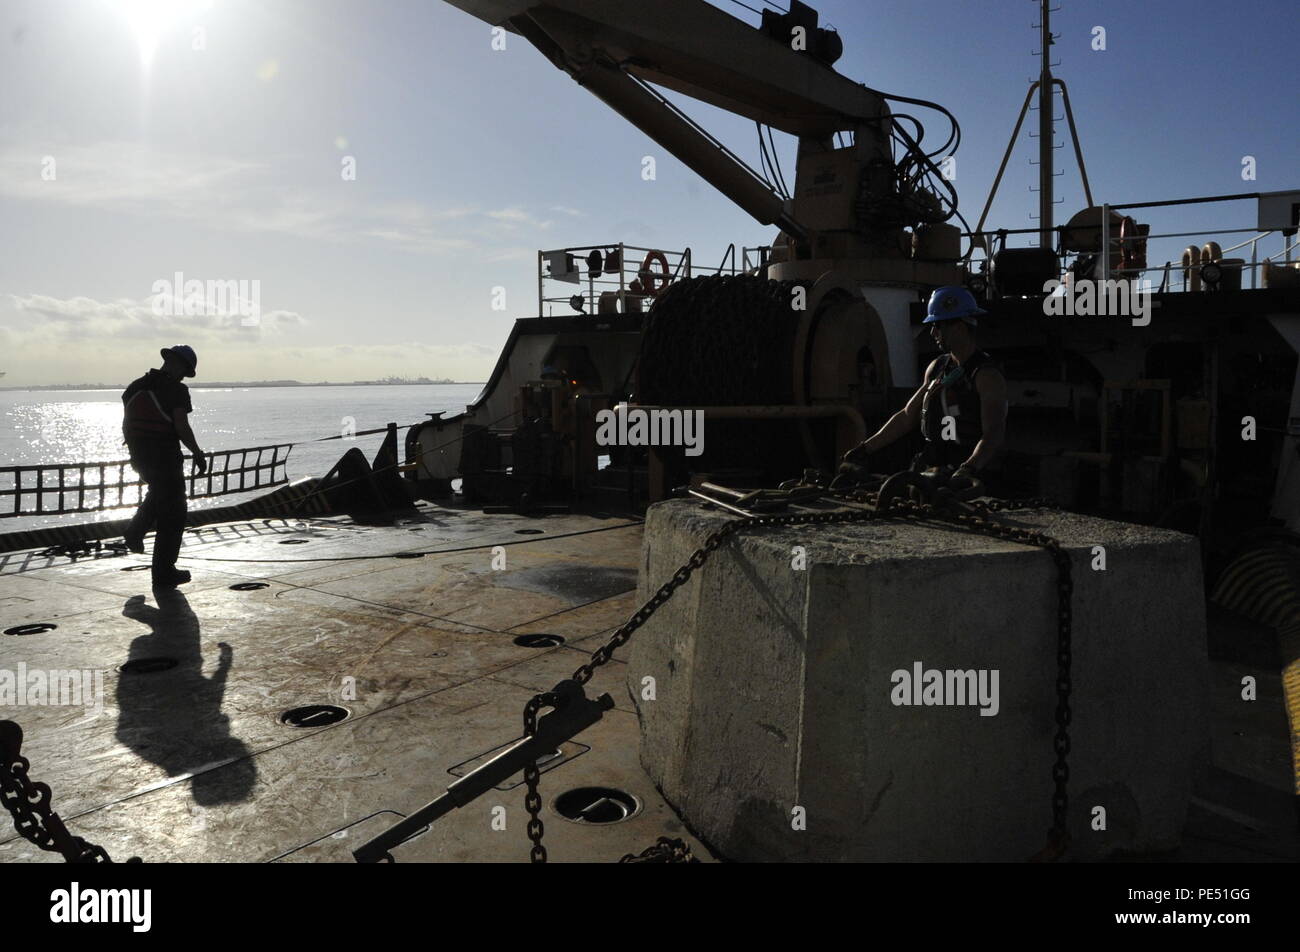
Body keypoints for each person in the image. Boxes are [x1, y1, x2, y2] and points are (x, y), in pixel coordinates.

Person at [841, 286, 1007, 492]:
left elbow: (994, 433)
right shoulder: (937, 368)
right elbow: (907, 416)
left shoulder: (985, 375)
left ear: (960, 326)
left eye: (938, 325)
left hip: (965, 476)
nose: (932, 332)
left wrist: (968, 469)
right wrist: (865, 449)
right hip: (932, 469)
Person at [121, 345, 208, 588]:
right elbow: (181, 426)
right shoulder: (177, 391)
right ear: (176, 363)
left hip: (140, 458)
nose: (183, 375)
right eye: (185, 370)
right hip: (165, 458)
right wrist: (198, 453)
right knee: (173, 515)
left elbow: (128, 421)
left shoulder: (135, 387)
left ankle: (135, 531)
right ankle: (164, 572)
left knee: (158, 493)